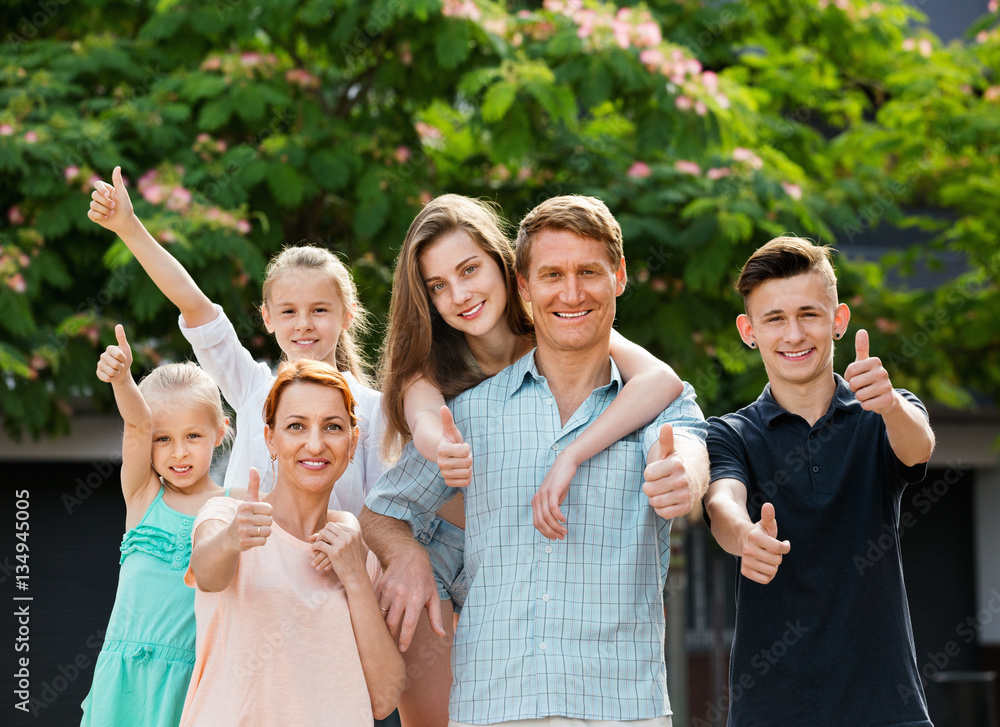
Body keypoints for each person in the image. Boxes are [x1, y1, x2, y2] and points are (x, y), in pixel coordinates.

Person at [362, 194, 709, 726]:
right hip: (461, 588)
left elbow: (677, 415)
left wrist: (680, 476)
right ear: (527, 282)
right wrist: (438, 467)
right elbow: (407, 468)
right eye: (438, 286)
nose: (460, 294)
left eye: (470, 270)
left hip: (619, 705)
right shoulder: (453, 394)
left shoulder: (618, 367)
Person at [702, 236, 935, 726]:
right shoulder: (730, 433)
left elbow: (919, 449)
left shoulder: (884, 413)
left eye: (809, 313)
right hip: (769, 711)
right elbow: (722, 501)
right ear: (749, 330)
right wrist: (745, 537)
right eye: (774, 318)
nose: (793, 334)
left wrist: (890, 404)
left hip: (887, 709)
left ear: (839, 320)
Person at [87, 166, 385, 515]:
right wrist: (128, 226)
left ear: (347, 315)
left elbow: (382, 515)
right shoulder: (252, 388)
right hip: (246, 565)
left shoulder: (372, 407)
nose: (304, 324)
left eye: (319, 310)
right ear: (268, 318)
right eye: (288, 311)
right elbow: (192, 302)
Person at [181, 359, 406, 725]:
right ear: (270, 438)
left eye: (332, 427)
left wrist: (355, 579)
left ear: (352, 443)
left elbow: (384, 698)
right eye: (296, 426)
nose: (314, 444)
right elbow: (208, 574)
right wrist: (232, 540)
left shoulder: (357, 555)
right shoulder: (226, 516)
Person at [81, 325, 231, 727]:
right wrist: (122, 379)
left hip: (192, 679)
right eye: (163, 439)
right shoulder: (144, 496)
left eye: (193, 436)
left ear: (221, 432)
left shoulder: (233, 506)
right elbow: (137, 425)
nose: (178, 453)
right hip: (124, 677)